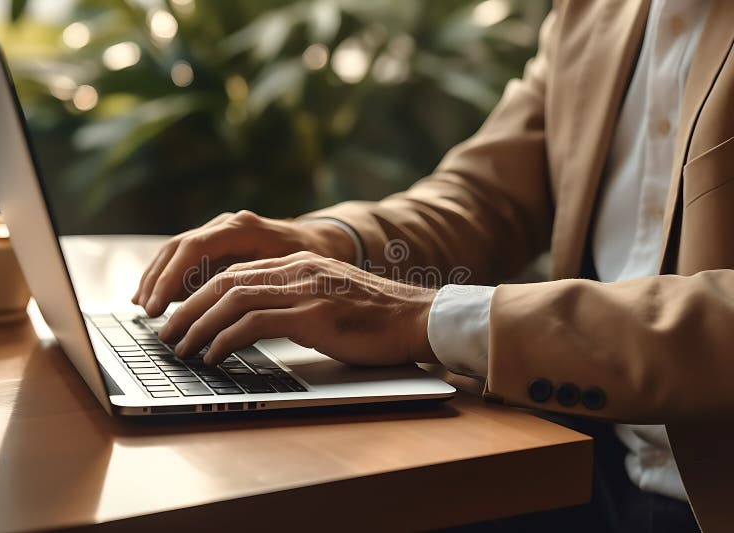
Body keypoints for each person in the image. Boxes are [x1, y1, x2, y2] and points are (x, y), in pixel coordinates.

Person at [133, 1, 734, 531]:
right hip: (593, 455)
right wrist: (324, 242)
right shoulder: (596, 11)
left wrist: (426, 317)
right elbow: (486, 197)